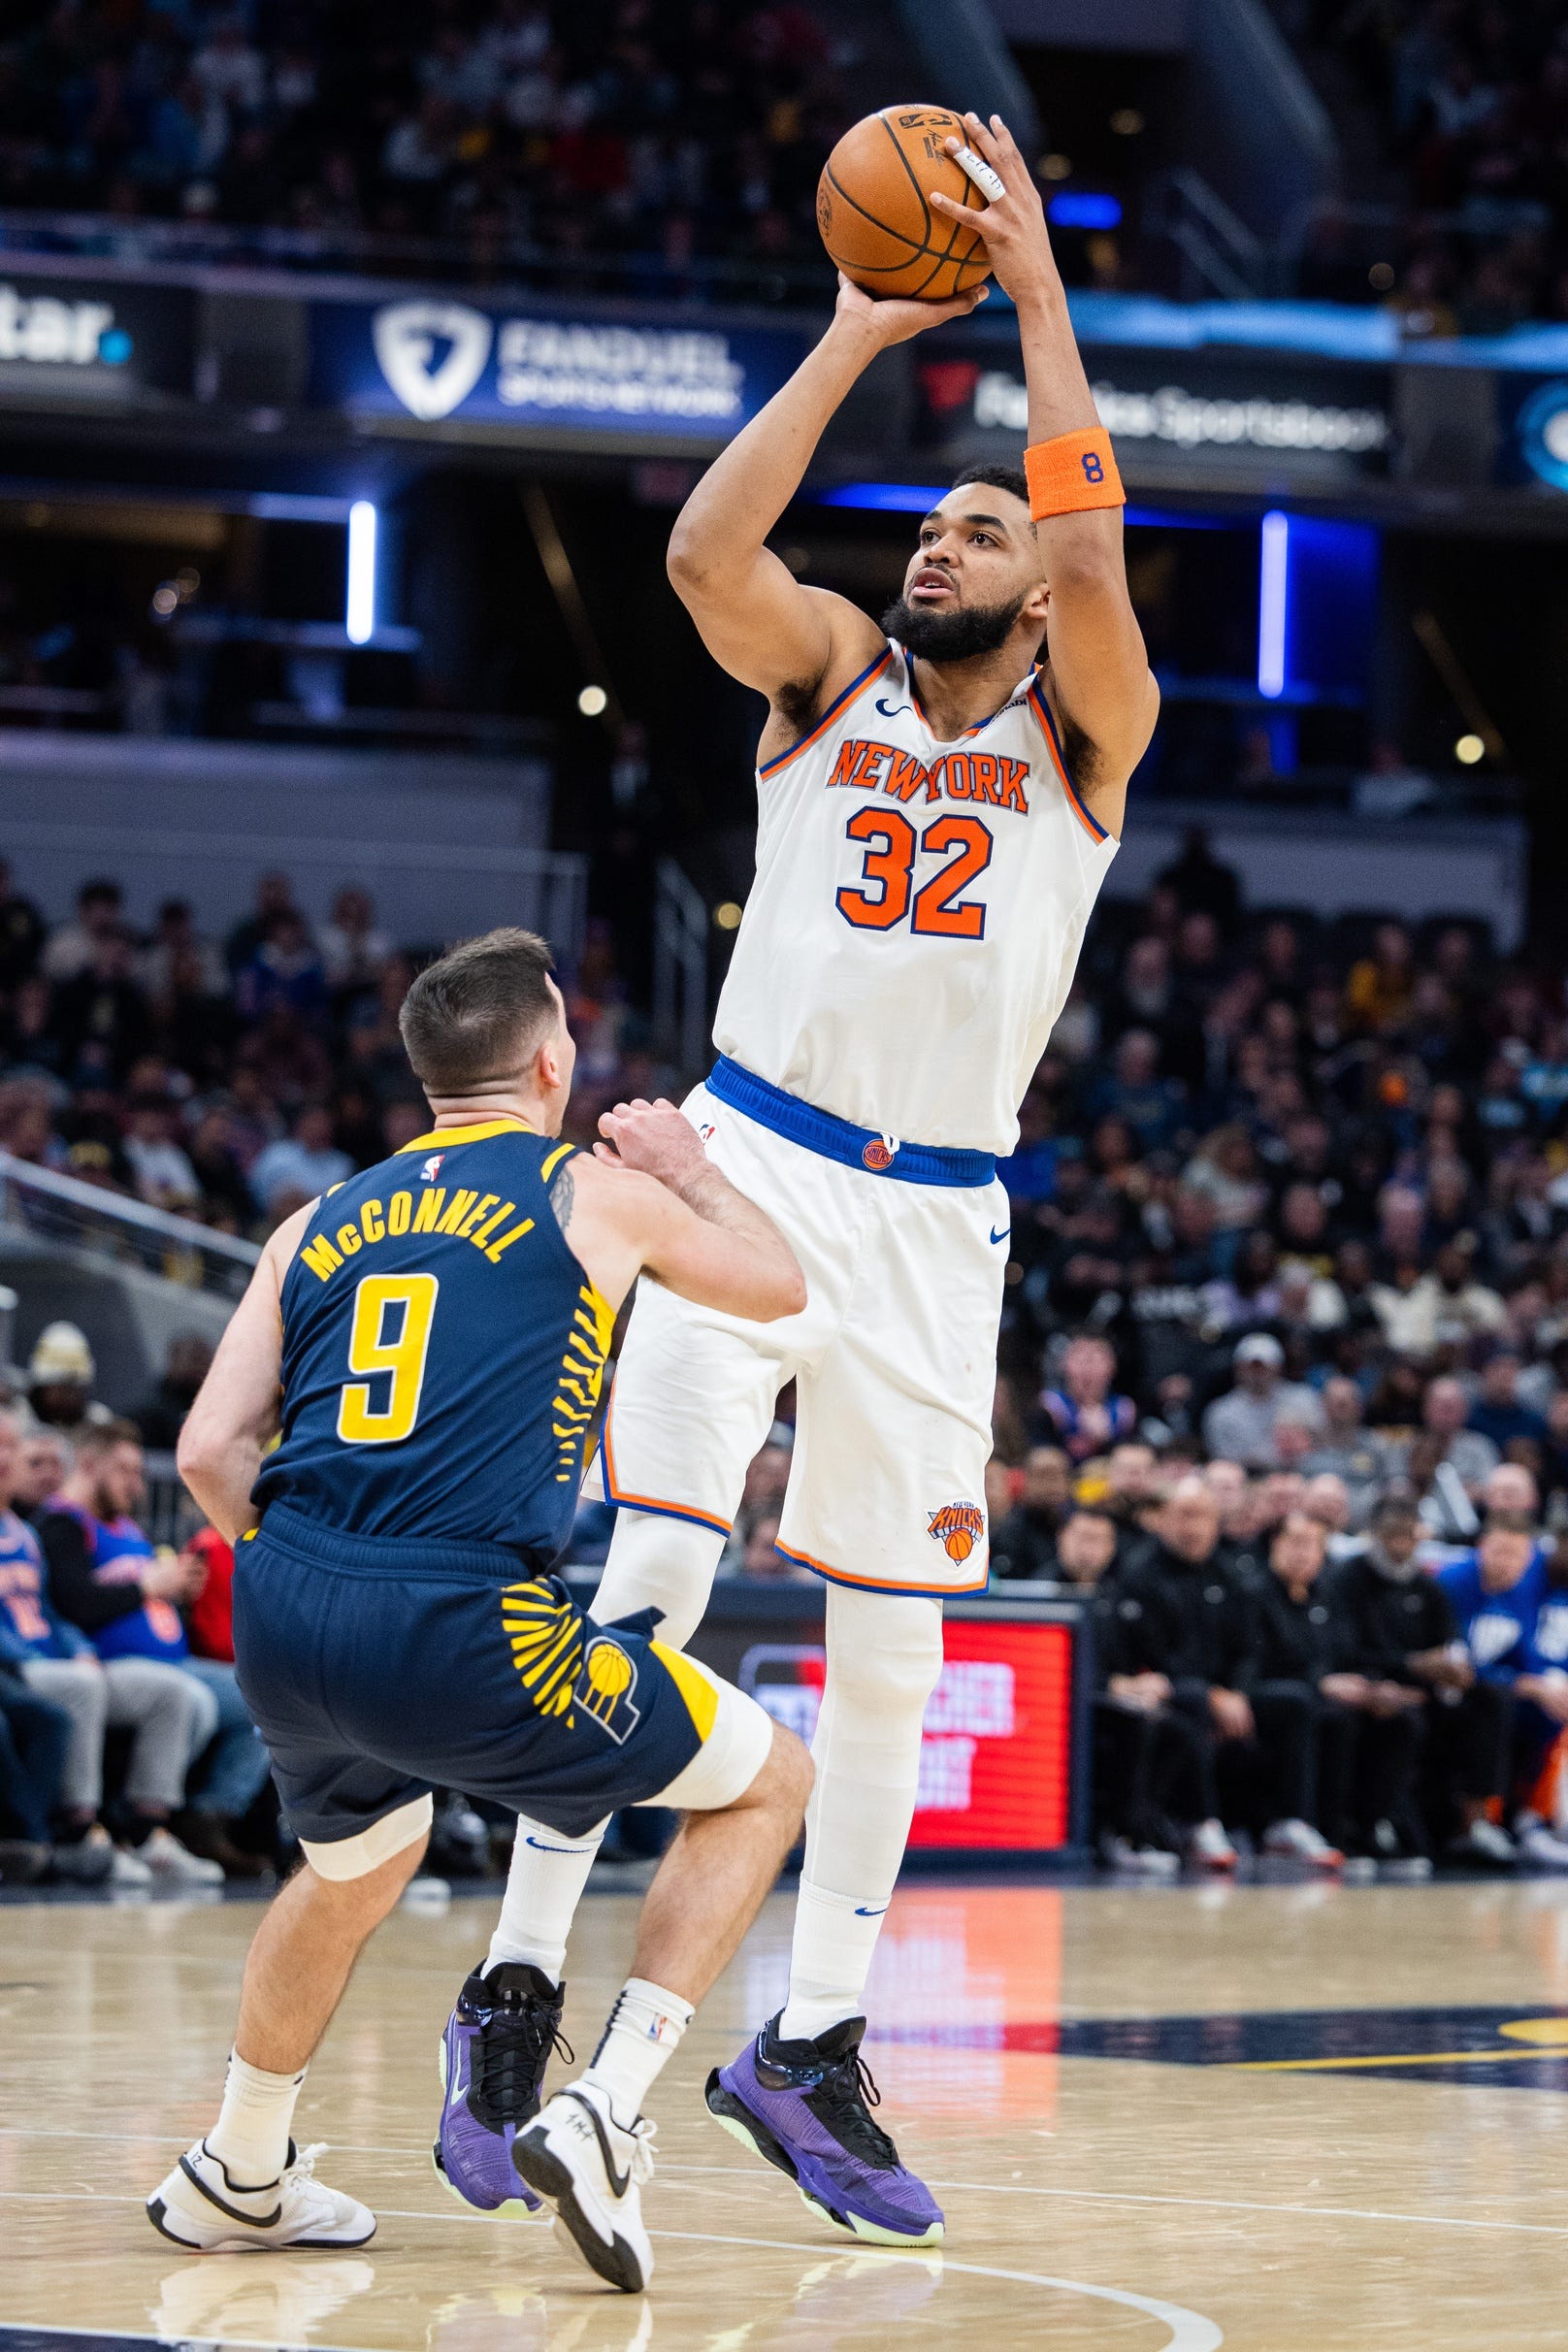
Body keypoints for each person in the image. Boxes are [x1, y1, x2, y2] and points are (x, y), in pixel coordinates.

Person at [479, 111, 1159, 2250]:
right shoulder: (831, 677)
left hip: (938, 1216)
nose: (940, 543)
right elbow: (705, 556)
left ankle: (816, 2035)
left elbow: (1093, 556)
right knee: (651, 1577)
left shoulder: (1084, 734)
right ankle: (516, 1984)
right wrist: (860, 330)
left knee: (895, 1648)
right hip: (746, 1157)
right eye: (929, 524)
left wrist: (1035, 294)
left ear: (1034, 601)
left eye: (980, 527)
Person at [146, 928, 812, 2295]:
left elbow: (207, 1452)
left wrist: (309, 1569)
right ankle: (605, 2109)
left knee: (355, 1868)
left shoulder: (313, 1220)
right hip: (461, 1617)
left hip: (283, 1604)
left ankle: (238, 2169)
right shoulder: (591, 1193)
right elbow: (780, 1289)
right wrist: (688, 1170)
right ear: (552, 1063)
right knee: (769, 1782)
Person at [37, 1420, 270, 1877]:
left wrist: (178, 1590)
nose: (137, 1485)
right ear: (89, 1464)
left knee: (263, 1693)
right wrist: (147, 1586)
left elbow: (145, 1597)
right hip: (111, 1663)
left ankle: (210, 1814)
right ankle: (141, 1826)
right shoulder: (63, 1523)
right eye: (125, 1471)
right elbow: (73, 1604)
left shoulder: (126, 1528)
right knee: (186, 1698)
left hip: (172, 1661)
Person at [0, 1410, 213, 1886]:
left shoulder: (23, 1533)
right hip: (20, 1665)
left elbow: (52, 1611)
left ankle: (145, 1831)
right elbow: (75, 1601)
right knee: (83, 1687)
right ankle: (82, 1830)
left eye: (11, 1447)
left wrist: (77, 1647)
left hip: (63, 1659)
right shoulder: (60, 1524)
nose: (8, 1460)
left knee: (171, 1694)